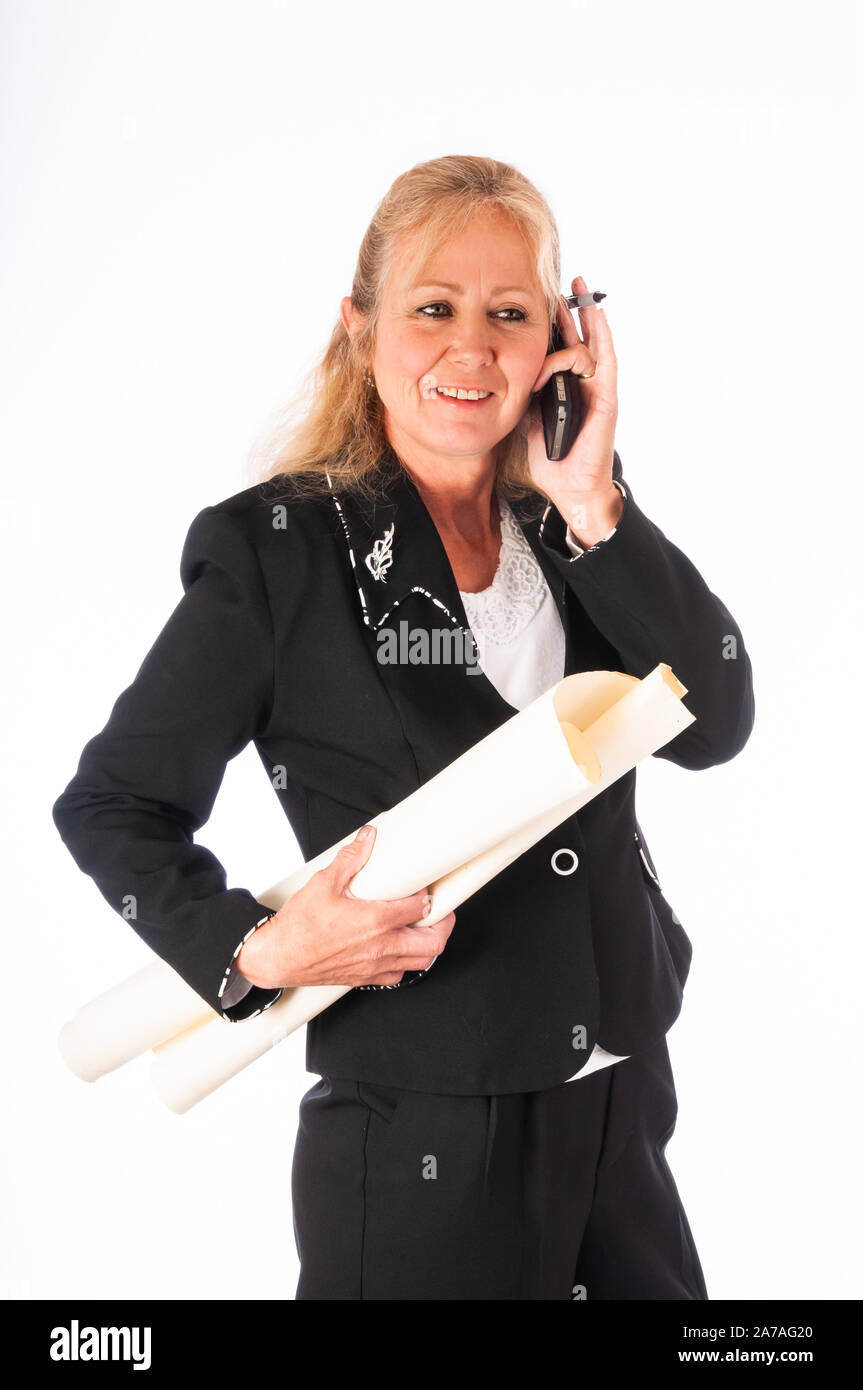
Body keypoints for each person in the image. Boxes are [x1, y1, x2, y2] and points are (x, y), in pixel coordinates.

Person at [52, 154, 755, 1300]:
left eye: (508, 313)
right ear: (359, 327)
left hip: (618, 1090)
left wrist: (594, 504)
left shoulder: (569, 511)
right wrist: (255, 952)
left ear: (557, 342)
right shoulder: (275, 551)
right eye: (432, 308)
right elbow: (111, 803)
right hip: (428, 1120)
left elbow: (714, 720)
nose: (470, 347)